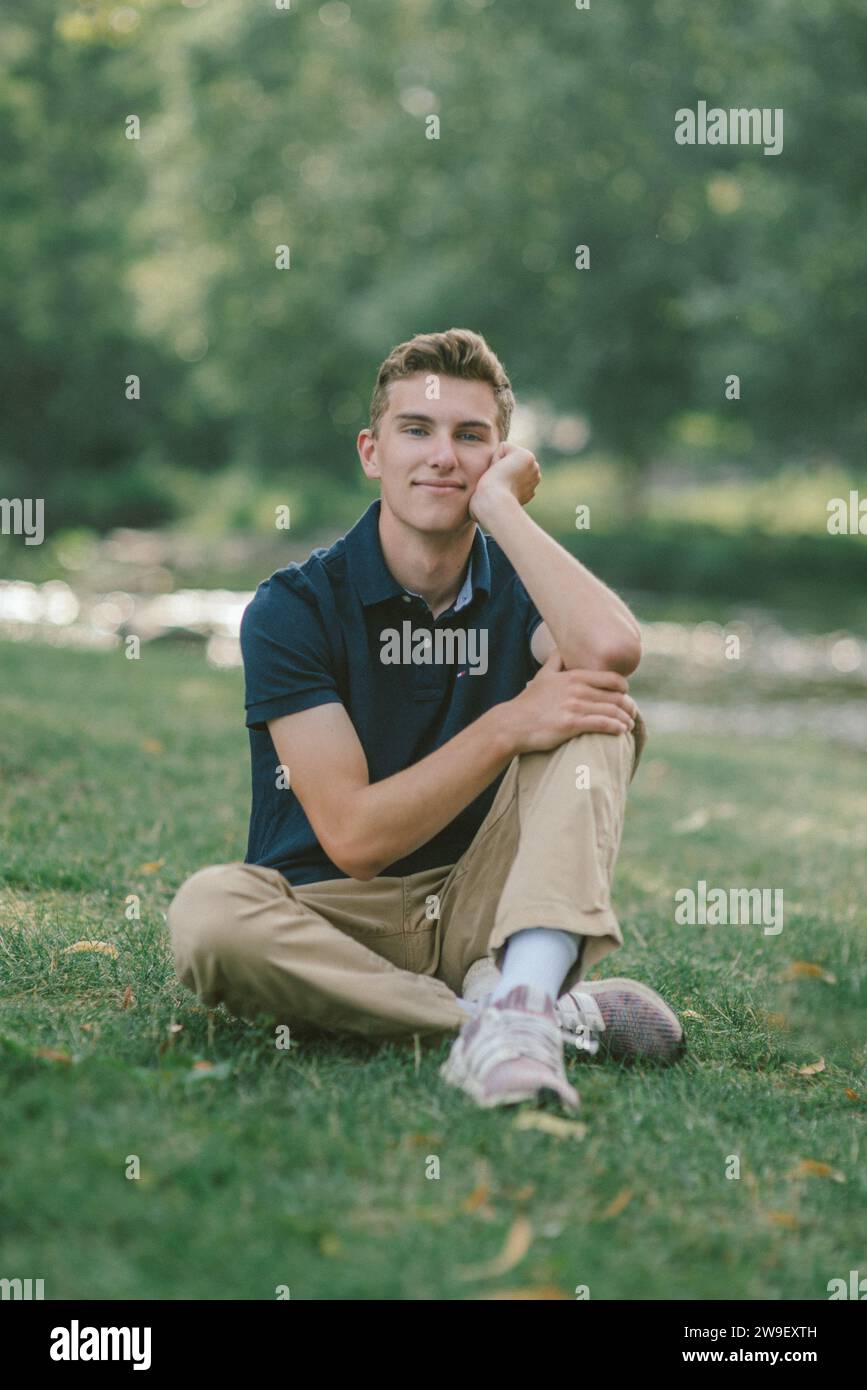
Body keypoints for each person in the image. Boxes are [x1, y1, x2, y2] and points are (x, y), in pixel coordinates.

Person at [168, 328, 684, 1112]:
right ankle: (518, 1016)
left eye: (469, 438)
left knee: (595, 709)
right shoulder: (294, 607)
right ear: (373, 452)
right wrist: (511, 723)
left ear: (500, 458)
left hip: (480, 908)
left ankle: (516, 991)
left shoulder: (517, 585)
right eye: (417, 430)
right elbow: (355, 839)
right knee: (208, 916)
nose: (443, 455)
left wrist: (501, 511)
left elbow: (610, 651)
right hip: (331, 915)